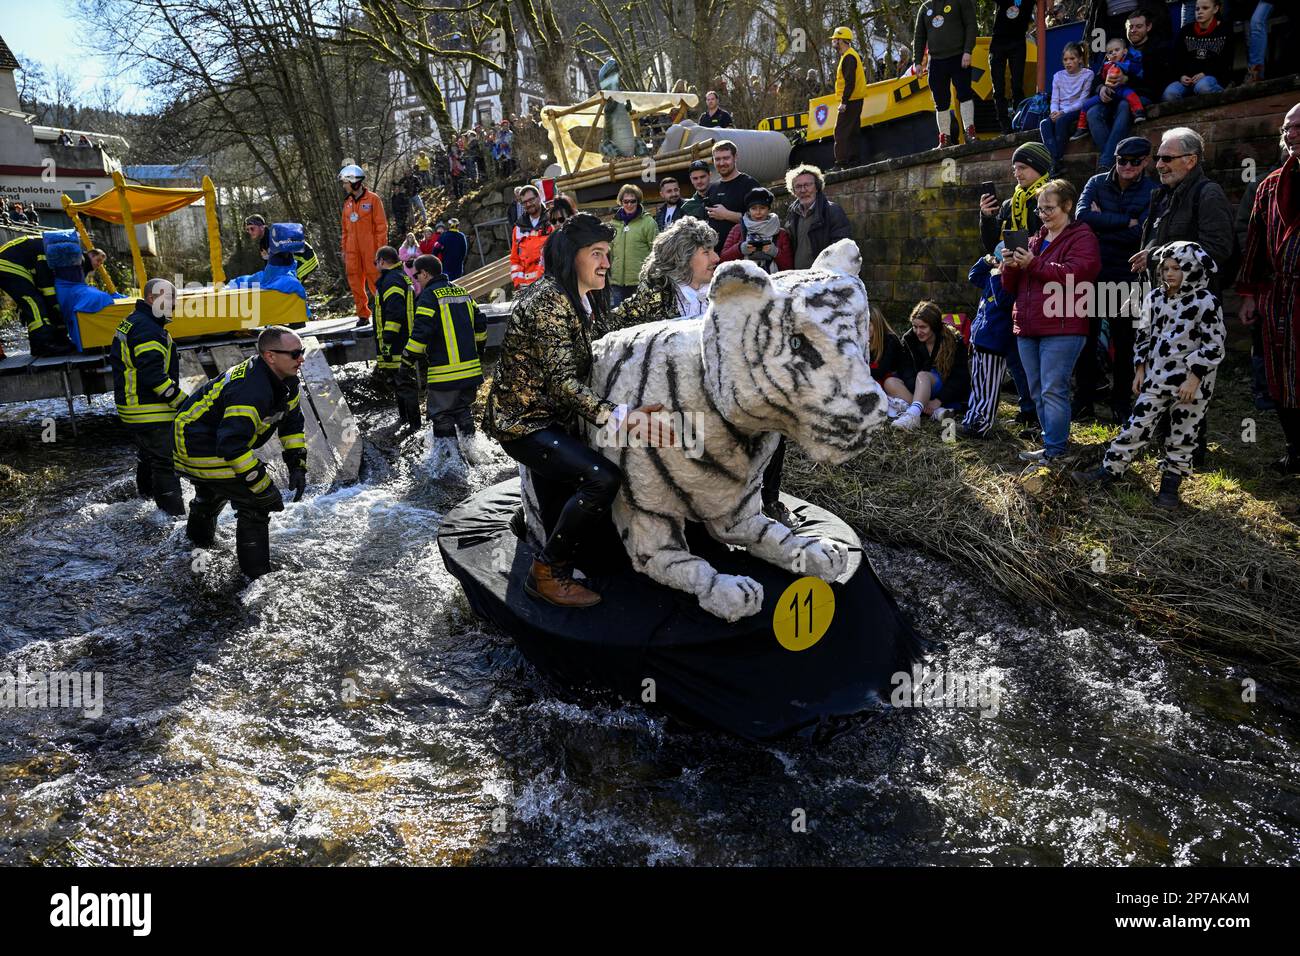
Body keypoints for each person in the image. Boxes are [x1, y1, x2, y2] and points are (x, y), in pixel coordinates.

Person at [484, 213, 672, 608]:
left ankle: (560, 565)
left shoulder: (579, 298)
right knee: (601, 478)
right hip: (523, 422)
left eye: (608, 253)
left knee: (556, 498)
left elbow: (614, 324)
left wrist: (658, 283)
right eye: (597, 254)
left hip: (552, 417)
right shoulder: (549, 302)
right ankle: (547, 573)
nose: (606, 263)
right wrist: (623, 417)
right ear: (573, 257)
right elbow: (561, 383)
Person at [1072, 241, 1225, 507]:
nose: (1169, 273)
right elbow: (1143, 335)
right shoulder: (1154, 298)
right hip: (1157, 376)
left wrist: (1194, 377)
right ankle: (1110, 469)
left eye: (1177, 268)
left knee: (1183, 433)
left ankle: (1170, 485)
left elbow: (1214, 344)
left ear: (1192, 269)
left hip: (1191, 383)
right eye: (1165, 268)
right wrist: (1140, 370)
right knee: (1136, 425)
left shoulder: (1205, 302)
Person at [174, 326, 308, 579]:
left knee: (213, 492)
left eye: (302, 352)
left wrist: (297, 464)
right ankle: (258, 578)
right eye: (294, 354)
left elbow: (292, 425)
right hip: (197, 445)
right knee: (255, 503)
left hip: (207, 437)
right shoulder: (252, 390)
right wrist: (261, 487)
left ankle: (195, 547)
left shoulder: (286, 381)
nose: (301, 358)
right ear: (270, 356)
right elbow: (232, 445)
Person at [1000, 178, 1102, 465]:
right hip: (1028, 325)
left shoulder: (1082, 237)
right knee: (1036, 390)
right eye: (1040, 210)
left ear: (1068, 206)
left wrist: (1034, 264)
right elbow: (1011, 287)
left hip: (1063, 325)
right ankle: (1050, 443)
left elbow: (1077, 275)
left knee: (1053, 388)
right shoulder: (1034, 239)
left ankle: (1056, 451)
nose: (1043, 214)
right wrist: (1010, 266)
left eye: (1049, 208)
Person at [1076, 135, 1157, 422]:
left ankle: (1120, 403)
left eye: (1135, 161)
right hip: (1095, 274)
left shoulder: (1152, 190)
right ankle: (1083, 401)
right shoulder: (1096, 183)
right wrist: (1125, 220)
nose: (1128, 166)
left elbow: (1143, 234)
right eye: (1122, 160)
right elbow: (1083, 218)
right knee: (1085, 342)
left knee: (1125, 345)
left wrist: (1104, 223)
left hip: (1128, 276)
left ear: (1146, 161)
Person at [1239, 102, 1300, 475]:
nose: (1292, 134)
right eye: (1287, 129)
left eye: (1299, 127)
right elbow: (1255, 244)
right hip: (1279, 298)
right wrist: (1248, 293)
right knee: (1281, 379)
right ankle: (1296, 449)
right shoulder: (1270, 186)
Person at [109, 277, 187, 517]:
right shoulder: (147, 329)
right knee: (166, 462)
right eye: (169, 298)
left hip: (133, 406)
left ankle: (143, 499)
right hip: (147, 409)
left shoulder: (137, 322)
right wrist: (183, 402)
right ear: (152, 299)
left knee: (148, 456)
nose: (174, 303)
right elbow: (153, 377)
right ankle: (173, 519)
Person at [398, 254, 487, 457]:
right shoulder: (463, 292)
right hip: (470, 372)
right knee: (463, 410)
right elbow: (481, 324)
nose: (415, 279)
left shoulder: (429, 297)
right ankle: (474, 454)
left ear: (426, 273)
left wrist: (406, 361)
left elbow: (420, 335)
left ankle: (449, 464)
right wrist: (479, 352)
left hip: (444, 374)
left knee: (442, 416)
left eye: (416, 274)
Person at [1131, 128, 1235, 289]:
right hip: (1158, 299)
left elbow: (1217, 250)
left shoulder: (1208, 194)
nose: (1159, 165)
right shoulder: (1161, 195)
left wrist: (1157, 256)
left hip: (1192, 303)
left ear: (1191, 161)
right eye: (1157, 158)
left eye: (1167, 158)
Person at [1084, 8, 1171, 170]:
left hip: (1141, 96)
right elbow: (1097, 78)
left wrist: (1127, 79)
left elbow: (1157, 82)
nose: (1134, 30)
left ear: (1148, 27)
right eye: (1131, 27)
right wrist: (1101, 88)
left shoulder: (1157, 48)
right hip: (1112, 96)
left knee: (1125, 105)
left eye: (1138, 26)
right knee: (1092, 112)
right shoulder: (1117, 48)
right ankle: (1113, 161)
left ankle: (1105, 164)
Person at [606, 217, 720, 331]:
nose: (716, 258)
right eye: (706, 252)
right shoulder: (655, 297)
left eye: (713, 250)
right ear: (682, 258)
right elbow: (611, 325)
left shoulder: (725, 293)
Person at [960, 246, 1018, 438]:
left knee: (989, 387)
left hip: (996, 342)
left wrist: (996, 275)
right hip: (980, 338)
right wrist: (986, 261)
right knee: (977, 383)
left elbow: (1003, 301)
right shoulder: (990, 276)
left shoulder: (1009, 282)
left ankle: (982, 424)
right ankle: (972, 418)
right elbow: (974, 275)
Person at [888, 300, 971, 430]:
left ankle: (912, 416)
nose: (918, 331)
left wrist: (939, 400)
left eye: (923, 327)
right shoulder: (909, 339)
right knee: (890, 382)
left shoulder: (953, 339)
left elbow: (960, 377)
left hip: (944, 389)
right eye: (915, 326)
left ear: (934, 326)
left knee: (923, 375)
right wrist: (920, 393)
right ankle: (931, 410)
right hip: (918, 387)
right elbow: (906, 370)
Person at [913, 0, 978, 146]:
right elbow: (919, 37)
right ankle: (945, 138)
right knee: (940, 102)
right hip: (936, 61)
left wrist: (968, 51)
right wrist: (917, 61)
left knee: (965, 94)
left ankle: (970, 132)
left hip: (959, 56)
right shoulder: (925, 7)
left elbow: (971, 25)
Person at [0, 233, 72, 356]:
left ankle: (43, 341)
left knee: (37, 302)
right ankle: (42, 344)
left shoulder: (48, 247)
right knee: (33, 302)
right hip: (7, 265)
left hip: (11, 264)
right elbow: (46, 286)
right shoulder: (45, 253)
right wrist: (58, 309)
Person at [339, 164, 388, 321]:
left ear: (354, 181)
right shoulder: (347, 203)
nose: (344, 186)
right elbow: (345, 230)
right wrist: (344, 251)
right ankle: (363, 315)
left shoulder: (373, 199)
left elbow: (381, 227)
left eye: (345, 182)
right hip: (352, 252)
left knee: (376, 282)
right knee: (355, 283)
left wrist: (380, 251)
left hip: (371, 250)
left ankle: (385, 313)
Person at [1073, 36, 1146, 139]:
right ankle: (1081, 127)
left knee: (1131, 95)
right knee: (1086, 104)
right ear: (1107, 56)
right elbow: (1099, 79)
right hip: (1109, 92)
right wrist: (1101, 87)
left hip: (1122, 90)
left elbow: (1139, 72)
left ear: (1125, 51)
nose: (1114, 53)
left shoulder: (1128, 62)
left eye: (1117, 50)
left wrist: (1126, 76)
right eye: (1110, 52)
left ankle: (1138, 112)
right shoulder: (1106, 65)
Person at [783, 164, 852, 270]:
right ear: (793, 191)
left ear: (817, 187)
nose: (803, 190)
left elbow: (841, 248)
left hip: (823, 278)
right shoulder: (792, 213)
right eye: (798, 186)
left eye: (807, 185)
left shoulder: (832, 211)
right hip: (798, 277)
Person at [1040, 42, 1094, 175]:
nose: (1068, 62)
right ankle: (1056, 161)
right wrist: (1053, 112)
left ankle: (1055, 162)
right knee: (1044, 123)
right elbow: (1054, 99)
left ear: (1080, 59)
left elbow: (1083, 100)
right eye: (1065, 59)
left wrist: (1062, 112)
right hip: (1059, 110)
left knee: (1061, 121)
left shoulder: (1088, 74)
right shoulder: (1058, 76)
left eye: (1072, 59)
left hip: (1075, 110)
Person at [374, 246, 416, 412]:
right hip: (402, 339)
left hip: (396, 342)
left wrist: (387, 339)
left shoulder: (392, 279)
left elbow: (395, 312)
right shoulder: (401, 276)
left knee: (404, 384)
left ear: (382, 261)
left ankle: (411, 425)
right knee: (401, 383)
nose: (375, 265)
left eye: (375, 262)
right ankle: (406, 422)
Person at [1164, 0, 1232, 102]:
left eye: (1205, 8)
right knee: (1169, 94)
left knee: (1202, 87)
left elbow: (1226, 60)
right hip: (1187, 80)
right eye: (1197, 9)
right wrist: (1181, 76)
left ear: (1216, 9)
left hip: (1211, 78)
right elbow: (1175, 59)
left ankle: (1226, 94)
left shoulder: (1224, 30)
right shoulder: (1186, 30)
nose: (1199, 12)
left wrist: (1206, 73)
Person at [703, 141, 760, 254]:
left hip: (743, 253)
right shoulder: (712, 188)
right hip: (716, 255)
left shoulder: (749, 184)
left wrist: (726, 215)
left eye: (726, 158)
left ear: (735, 157)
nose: (722, 163)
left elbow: (760, 219)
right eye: (717, 159)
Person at [720, 187, 793, 273]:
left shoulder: (781, 234)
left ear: (769, 209)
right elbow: (723, 259)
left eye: (762, 208)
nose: (758, 212)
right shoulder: (737, 230)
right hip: (742, 281)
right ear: (748, 210)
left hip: (774, 281)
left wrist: (775, 252)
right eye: (753, 208)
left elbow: (789, 267)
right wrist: (740, 248)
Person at [608, 184, 659, 307]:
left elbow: (656, 251)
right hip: (617, 282)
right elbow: (609, 251)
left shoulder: (648, 222)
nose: (629, 205)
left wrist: (653, 276)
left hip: (640, 282)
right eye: (626, 201)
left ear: (638, 201)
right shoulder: (613, 223)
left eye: (633, 201)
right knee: (619, 319)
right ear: (621, 202)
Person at [829, 26, 868, 169]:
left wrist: (844, 102)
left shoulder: (849, 57)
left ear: (841, 40)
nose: (833, 42)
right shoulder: (850, 55)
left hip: (850, 101)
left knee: (840, 132)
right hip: (855, 99)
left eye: (835, 40)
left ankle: (841, 163)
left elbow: (849, 82)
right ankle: (854, 161)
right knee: (852, 132)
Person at [990, 0, 1031, 134]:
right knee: (998, 87)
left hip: (1018, 42)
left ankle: (1018, 121)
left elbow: (1048, 6)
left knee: (1017, 85)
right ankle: (1004, 126)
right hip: (998, 42)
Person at [245, 215, 320, 282]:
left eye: (252, 228)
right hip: (294, 262)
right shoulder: (262, 243)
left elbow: (285, 260)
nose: (250, 232)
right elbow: (269, 267)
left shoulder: (274, 235)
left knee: (290, 285)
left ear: (262, 226)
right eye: (247, 229)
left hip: (306, 259)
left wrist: (270, 257)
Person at [510, 184, 550, 288]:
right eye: (524, 202)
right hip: (527, 289)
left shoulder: (552, 222)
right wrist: (518, 283)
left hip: (551, 284)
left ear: (539, 197)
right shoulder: (518, 229)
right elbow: (515, 260)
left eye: (531, 200)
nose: (528, 204)